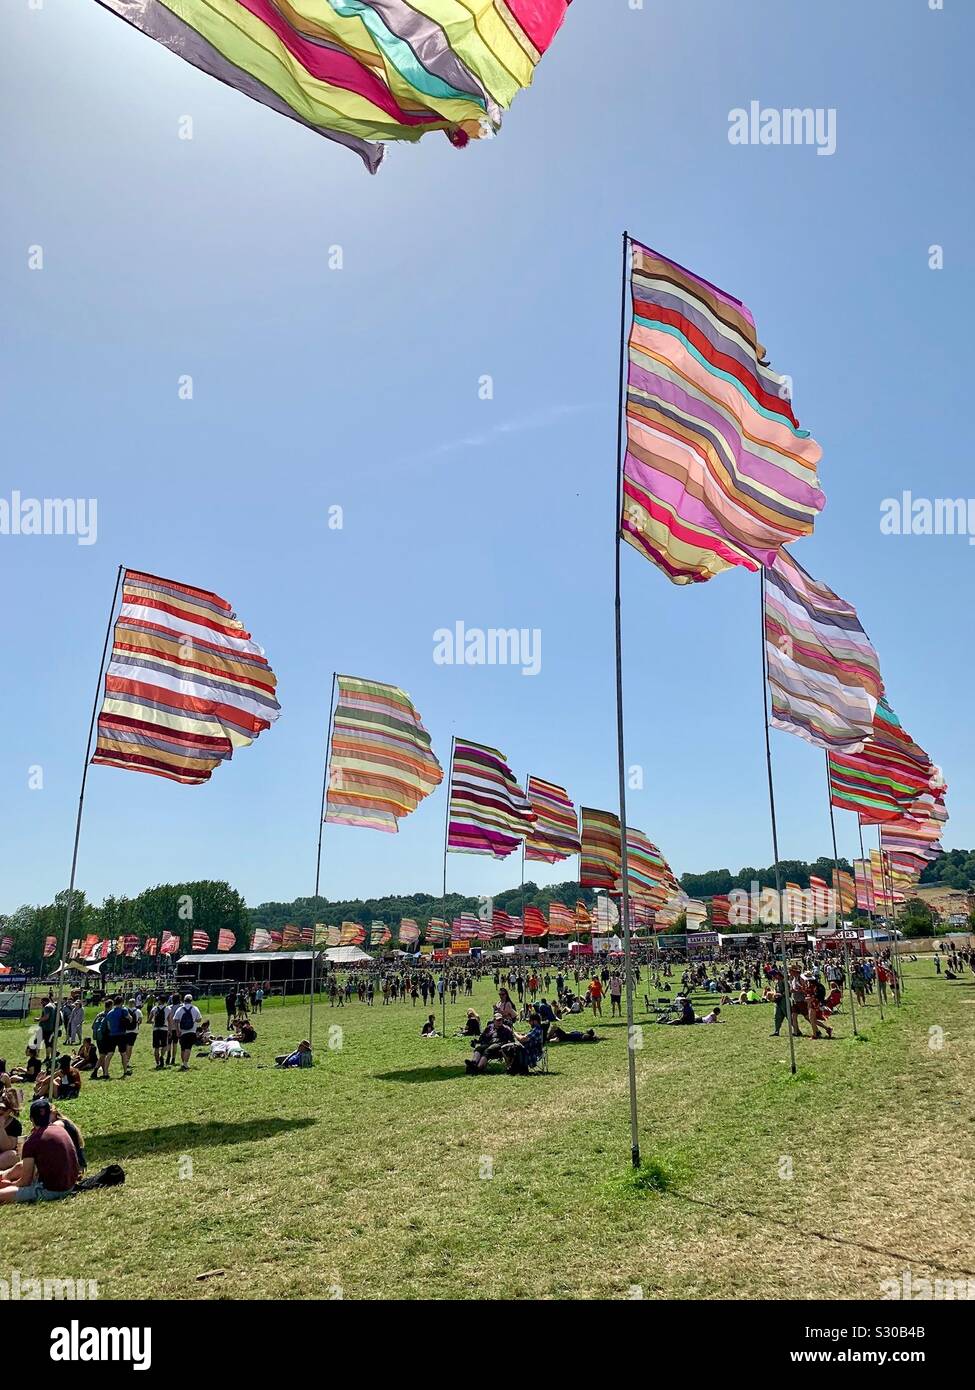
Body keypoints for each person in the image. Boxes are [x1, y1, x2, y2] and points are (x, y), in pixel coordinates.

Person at [0, 1098, 79, 1204]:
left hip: (52, 1190)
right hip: (70, 1184)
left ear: (31, 1119)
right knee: (21, 1166)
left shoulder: (32, 1141)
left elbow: (25, 1182)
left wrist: (10, 1185)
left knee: (2, 1195)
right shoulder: (60, 1130)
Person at [175, 994, 203, 1071]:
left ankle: (183, 1063)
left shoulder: (180, 1009)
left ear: (184, 1000)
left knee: (183, 1048)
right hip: (192, 1031)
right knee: (188, 1047)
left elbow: (176, 1020)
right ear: (191, 1000)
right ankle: (185, 1063)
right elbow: (199, 1019)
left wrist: (177, 1031)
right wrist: (194, 1020)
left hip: (182, 1031)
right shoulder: (195, 1008)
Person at [150, 998, 169, 1070]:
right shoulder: (168, 1009)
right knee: (164, 1045)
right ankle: (162, 1056)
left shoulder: (154, 1009)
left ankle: (157, 1063)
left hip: (156, 1029)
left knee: (156, 1047)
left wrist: (153, 1022)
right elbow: (169, 1020)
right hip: (164, 1029)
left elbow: (149, 1020)